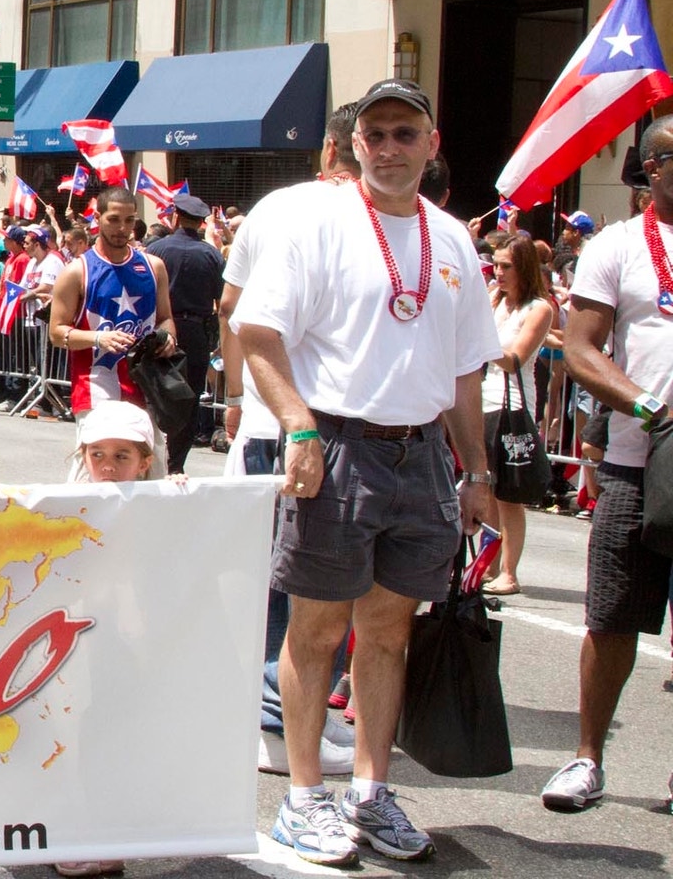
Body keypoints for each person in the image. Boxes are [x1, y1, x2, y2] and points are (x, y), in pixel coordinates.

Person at [234, 78, 500, 866]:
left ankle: (372, 792)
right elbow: (257, 332)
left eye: (404, 134)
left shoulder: (451, 239)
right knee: (317, 630)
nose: (389, 148)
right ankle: (304, 796)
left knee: (387, 633)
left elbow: (463, 373)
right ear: (355, 147)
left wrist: (477, 468)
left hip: (420, 454)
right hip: (340, 447)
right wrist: (300, 429)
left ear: (432, 143)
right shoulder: (318, 224)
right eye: (375, 135)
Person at [218, 101, 359, 779]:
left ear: (330, 149)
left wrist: (238, 396)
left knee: (284, 574)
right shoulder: (333, 213)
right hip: (315, 423)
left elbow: (229, 307)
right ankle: (274, 717)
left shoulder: (274, 207)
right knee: (305, 577)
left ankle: (272, 710)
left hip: (281, 416)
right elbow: (237, 311)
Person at [540, 113, 673, 813]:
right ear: (651, 168)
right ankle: (587, 758)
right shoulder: (618, 247)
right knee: (612, 616)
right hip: (635, 460)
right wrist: (649, 406)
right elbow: (584, 349)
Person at [51, 400, 183, 878]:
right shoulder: (63, 500)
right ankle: (69, 828)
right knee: (69, 727)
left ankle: (103, 827)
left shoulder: (158, 500)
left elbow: (193, 533)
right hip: (70, 637)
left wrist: (188, 495)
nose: (107, 467)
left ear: (145, 461)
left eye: (122, 456)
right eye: (98, 455)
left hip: (125, 638)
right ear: (82, 456)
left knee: (114, 724)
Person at [48, 186, 178, 417]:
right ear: (97, 218)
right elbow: (57, 333)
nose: (122, 228)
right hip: (96, 387)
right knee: (104, 453)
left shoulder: (154, 266)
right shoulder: (77, 271)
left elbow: (165, 317)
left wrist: (168, 337)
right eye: (114, 219)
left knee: (151, 454)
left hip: (147, 385)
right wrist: (99, 338)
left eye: (129, 221)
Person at [480, 234, 554, 596]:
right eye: (495, 265)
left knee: (509, 495)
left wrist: (478, 340)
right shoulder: (496, 300)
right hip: (484, 403)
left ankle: (509, 571)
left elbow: (515, 359)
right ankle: (488, 566)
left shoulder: (539, 308)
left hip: (514, 406)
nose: (499, 272)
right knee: (487, 490)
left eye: (506, 266)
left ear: (523, 267)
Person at [148, 193, 226, 473]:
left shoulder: (157, 250)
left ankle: (150, 460)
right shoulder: (211, 254)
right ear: (201, 223)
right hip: (195, 331)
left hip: (159, 330)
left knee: (153, 393)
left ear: (176, 216)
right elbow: (222, 298)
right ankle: (176, 464)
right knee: (188, 399)